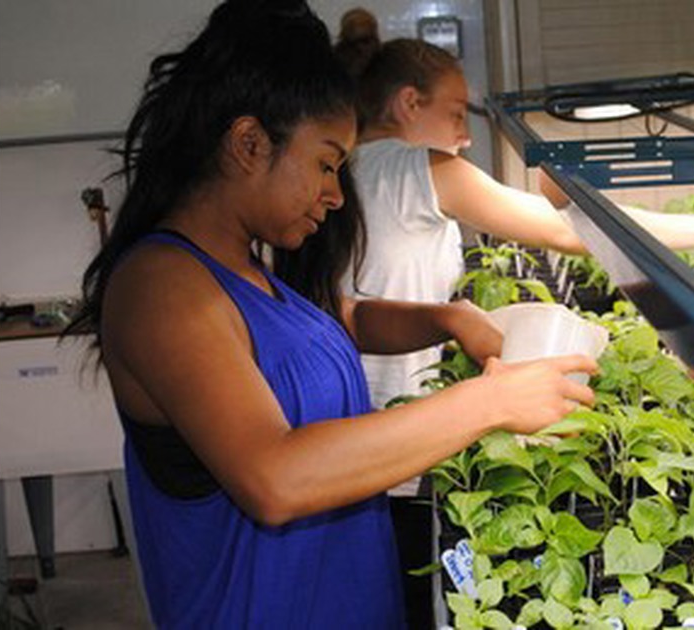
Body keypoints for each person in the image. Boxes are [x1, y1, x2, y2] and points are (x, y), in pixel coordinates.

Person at [63, 0, 596, 626]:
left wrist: (446, 319)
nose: (336, 193)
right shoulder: (161, 287)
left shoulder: (244, 269)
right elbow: (275, 477)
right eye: (325, 163)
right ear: (248, 143)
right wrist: (490, 404)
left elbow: (331, 324)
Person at [334, 7, 694, 414]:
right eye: (457, 113)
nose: (466, 136)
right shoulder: (416, 168)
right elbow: (568, 230)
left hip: (351, 395)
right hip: (385, 400)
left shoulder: (350, 164)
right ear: (409, 103)